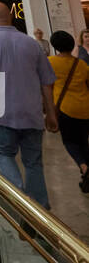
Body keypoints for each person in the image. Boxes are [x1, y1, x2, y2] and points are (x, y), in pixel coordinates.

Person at [0, 2, 57, 208]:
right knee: (34, 163)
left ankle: (20, 201)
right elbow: (47, 82)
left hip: (1, 113)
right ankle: (39, 207)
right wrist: (51, 113)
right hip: (32, 114)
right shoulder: (32, 44)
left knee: (4, 154)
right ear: (11, 16)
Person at [48, 30, 89, 192]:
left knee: (70, 141)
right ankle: (86, 177)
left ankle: (84, 167)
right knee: (83, 141)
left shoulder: (50, 62)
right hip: (85, 107)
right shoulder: (81, 64)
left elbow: (46, 85)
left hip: (65, 108)